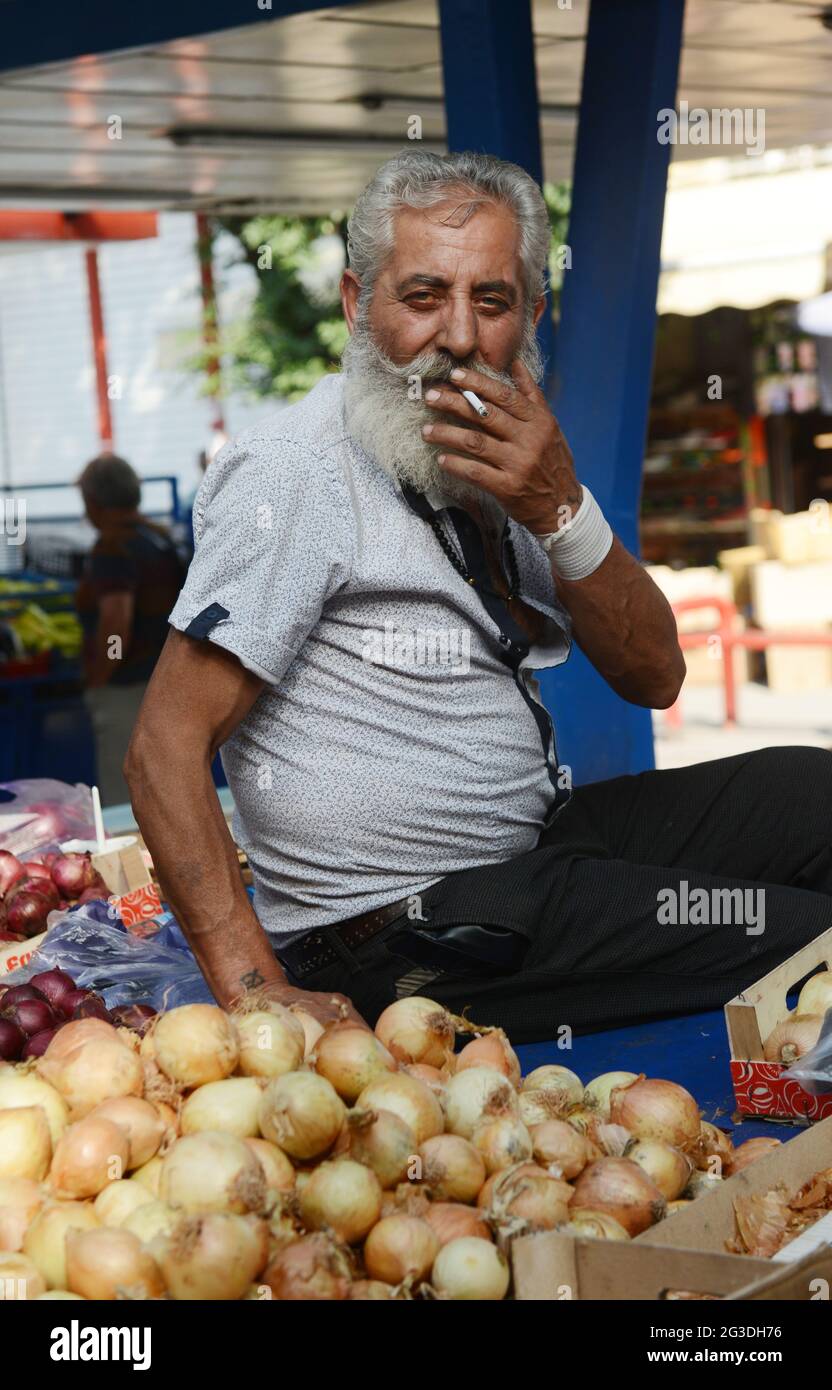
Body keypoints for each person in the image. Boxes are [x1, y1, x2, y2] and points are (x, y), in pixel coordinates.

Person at [126, 150, 832, 1040]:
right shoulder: (294, 473)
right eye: (422, 297)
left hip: (534, 851)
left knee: (818, 794)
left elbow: (655, 675)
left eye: (490, 301)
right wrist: (256, 994)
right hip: (401, 929)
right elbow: (161, 749)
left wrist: (559, 508)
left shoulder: (512, 456)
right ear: (356, 305)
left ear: (531, 315)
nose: (458, 336)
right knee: (804, 939)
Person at [76, 453, 184, 806]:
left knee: (124, 803)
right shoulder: (158, 539)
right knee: (167, 793)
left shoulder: (113, 546)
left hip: (127, 689)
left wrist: (104, 672)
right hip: (166, 682)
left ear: (93, 501)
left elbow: (115, 624)